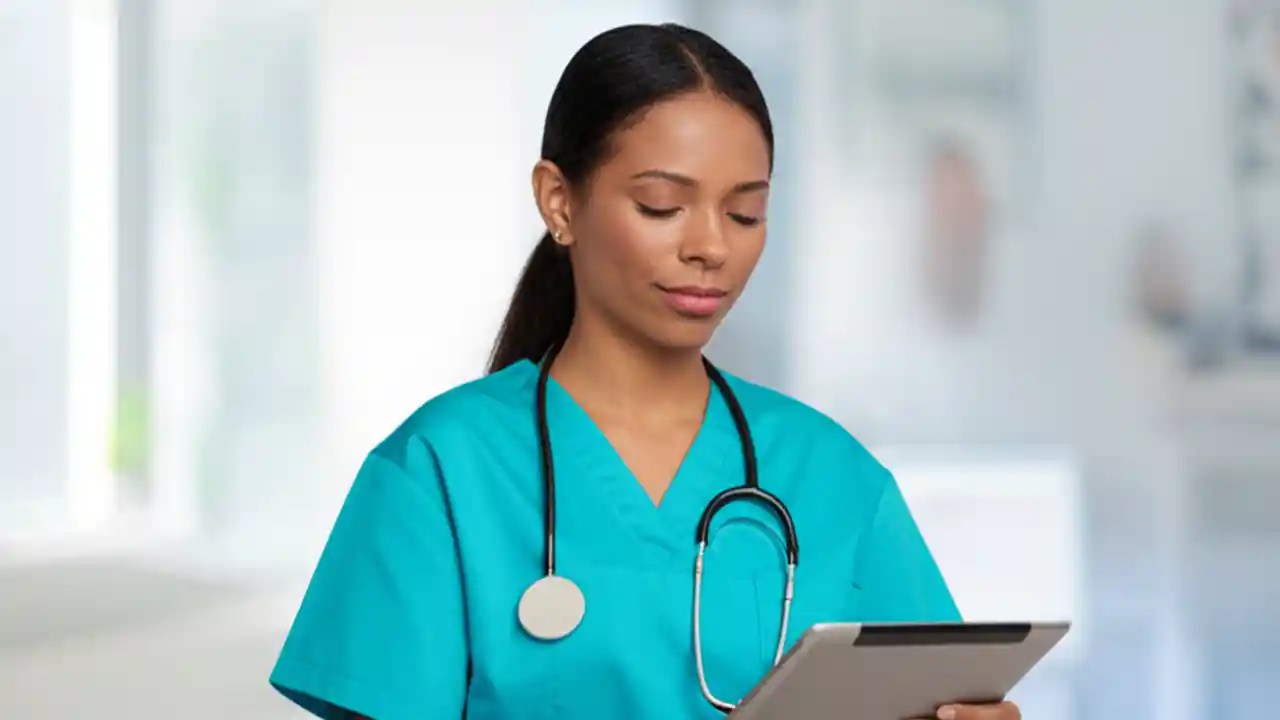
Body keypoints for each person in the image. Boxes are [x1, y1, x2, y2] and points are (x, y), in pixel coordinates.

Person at [268, 23, 1022, 720]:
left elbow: (933, 694)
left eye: (745, 213)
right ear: (559, 202)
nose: (710, 247)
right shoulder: (440, 471)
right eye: (663, 205)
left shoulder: (831, 474)